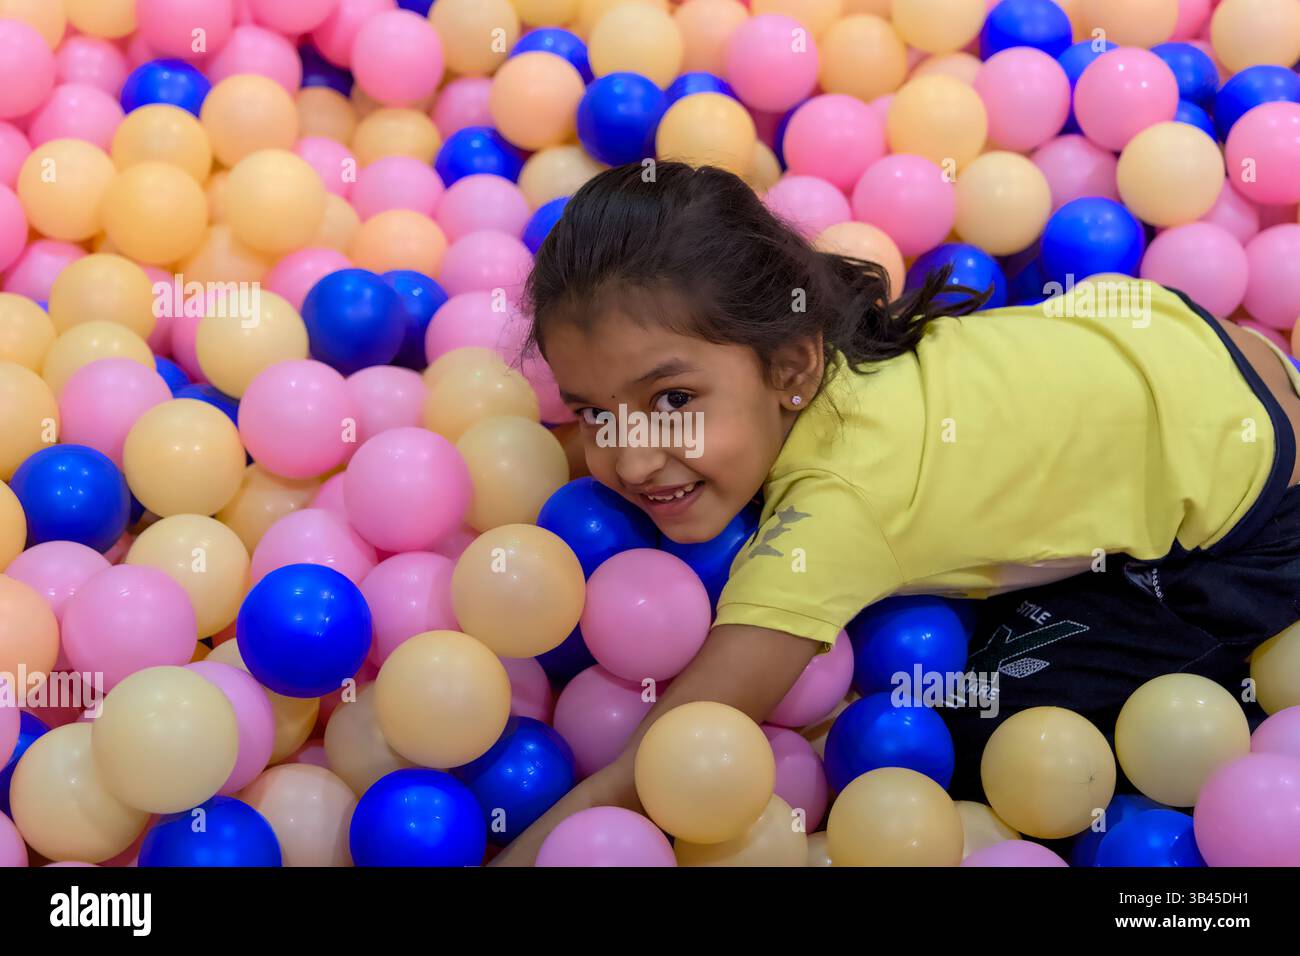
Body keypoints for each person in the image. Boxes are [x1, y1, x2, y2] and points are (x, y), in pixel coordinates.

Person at [491, 161, 1300, 864]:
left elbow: (665, 757)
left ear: (791, 366)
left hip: (1259, 508)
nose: (630, 457)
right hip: (1181, 337)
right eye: (596, 414)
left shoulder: (838, 515)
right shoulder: (833, 343)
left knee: (976, 726)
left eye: (672, 400)